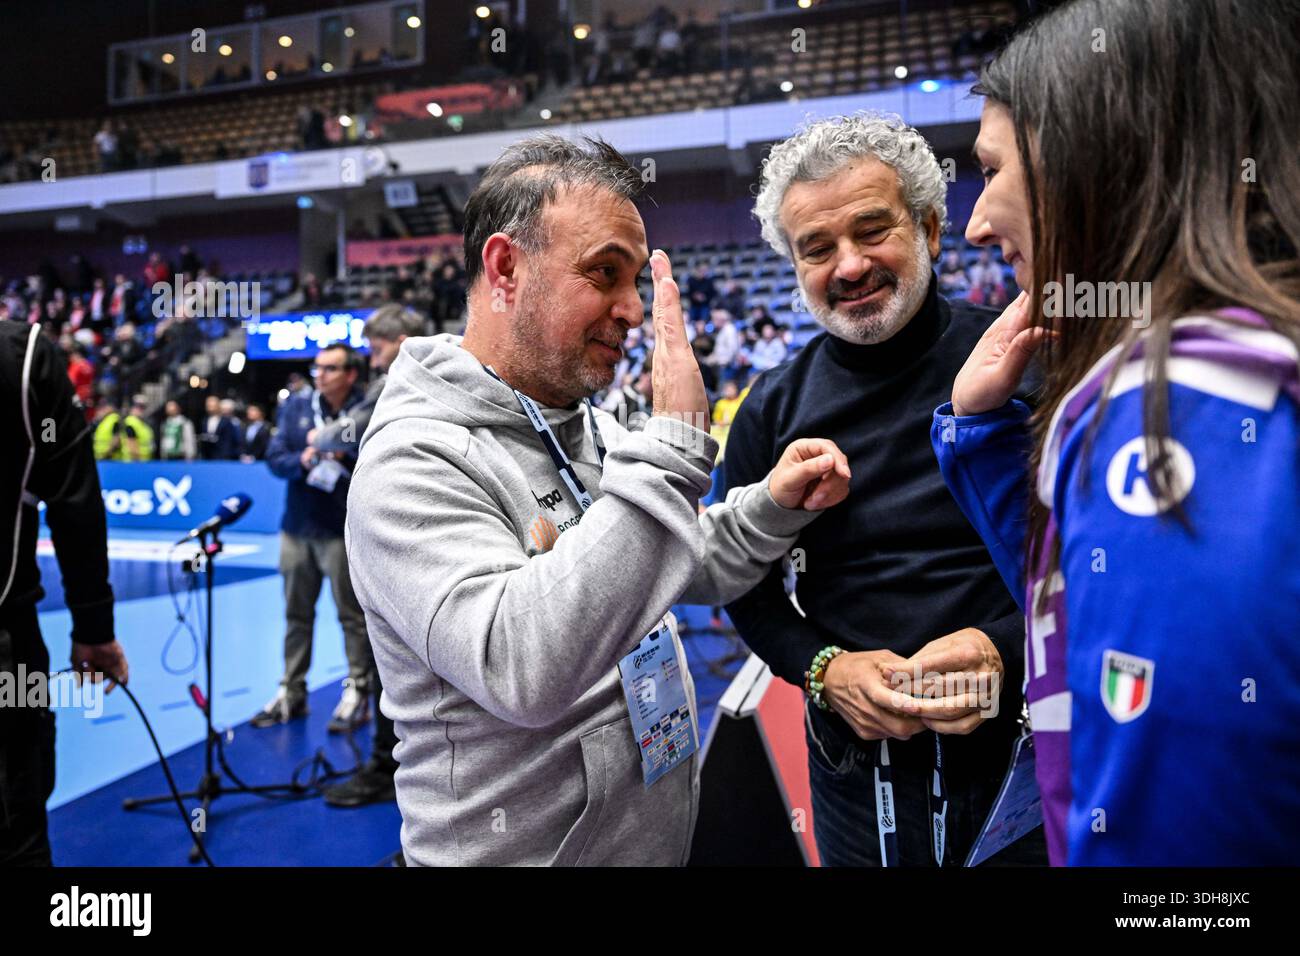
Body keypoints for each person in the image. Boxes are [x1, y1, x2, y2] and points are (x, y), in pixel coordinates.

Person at [344, 135, 852, 866]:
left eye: (637, 280)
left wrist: (770, 505)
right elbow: (522, 668)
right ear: (505, 268)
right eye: (604, 274)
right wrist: (675, 446)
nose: (633, 310)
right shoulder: (413, 458)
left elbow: (678, 563)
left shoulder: (588, 422)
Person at [931, 0, 1300, 866]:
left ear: (1094, 159)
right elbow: (1087, 610)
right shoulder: (1236, 377)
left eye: (991, 171)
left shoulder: (1180, 411)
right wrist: (983, 436)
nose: (977, 222)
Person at [725, 113, 1046, 867]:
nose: (848, 266)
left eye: (872, 231)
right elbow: (745, 585)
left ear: (932, 229)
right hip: (852, 767)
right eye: (817, 248)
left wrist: (1007, 649)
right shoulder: (772, 406)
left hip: (1024, 745)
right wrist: (824, 668)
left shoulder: (1020, 362)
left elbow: (1094, 564)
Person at [1, 321, 127, 865]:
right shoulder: (24, 354)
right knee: (15, 829)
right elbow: (75, 501)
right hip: (6, 643)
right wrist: (94, 630)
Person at [314, 304, 424, 807]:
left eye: (377, 348)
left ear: (399, 341)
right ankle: (396, 766)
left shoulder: (402, 379)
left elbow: (335, 435)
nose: (373, 358)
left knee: (394, 659)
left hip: (402, 532)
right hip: (415, 530)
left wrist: (321, 438)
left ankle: (388, 767)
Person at [255, 344, 373, 732]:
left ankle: (358, 692)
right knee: (296, 616)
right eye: (317, 367)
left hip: (343, 530)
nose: (320, 374)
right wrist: (304, 460)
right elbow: (275, 458)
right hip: (297, 527)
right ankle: (292, 690)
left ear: (350, 374)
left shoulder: (366, 408)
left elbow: (381, 461)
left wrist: (347, 459)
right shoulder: (297, 407)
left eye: (330, 368)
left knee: (352, 618)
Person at [199, 395, 241, 460]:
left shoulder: (227, 422)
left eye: (212, 406)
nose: (210, 408)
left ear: (218, 406)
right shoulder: (204, 421)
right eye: (208, 405)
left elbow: (230, 441)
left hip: (223, 458)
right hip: (207, 457)